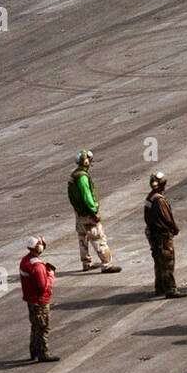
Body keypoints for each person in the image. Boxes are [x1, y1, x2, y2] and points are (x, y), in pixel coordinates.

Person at [67, 149, 121, 273]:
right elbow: (87, 196)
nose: (91, 163)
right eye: (90, 161)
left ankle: (86, 263)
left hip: (79, 213)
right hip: (87, 214)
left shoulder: (74, 174)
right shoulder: (82, 177)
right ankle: (107, 265)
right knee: (98, 238)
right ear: (86, 162)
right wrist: (94, 211)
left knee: (82, 237)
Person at [144, 172, 186, 299]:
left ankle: (160, 287)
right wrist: (175, 228)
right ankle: (171, 289)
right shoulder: (159, 200)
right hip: (162, 235)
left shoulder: (150, 198)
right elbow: (167, 218)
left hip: (153, 234)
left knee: (158, 261)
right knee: (167, 261)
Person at [19, 234, 58, 362]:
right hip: (40, 301)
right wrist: (51, 276)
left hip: (30, 299)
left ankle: (34, 351)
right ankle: (43, 354)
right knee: (43, 327)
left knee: (35, 326)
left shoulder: (25, 261)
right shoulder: (38, 266)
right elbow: (43, 287)